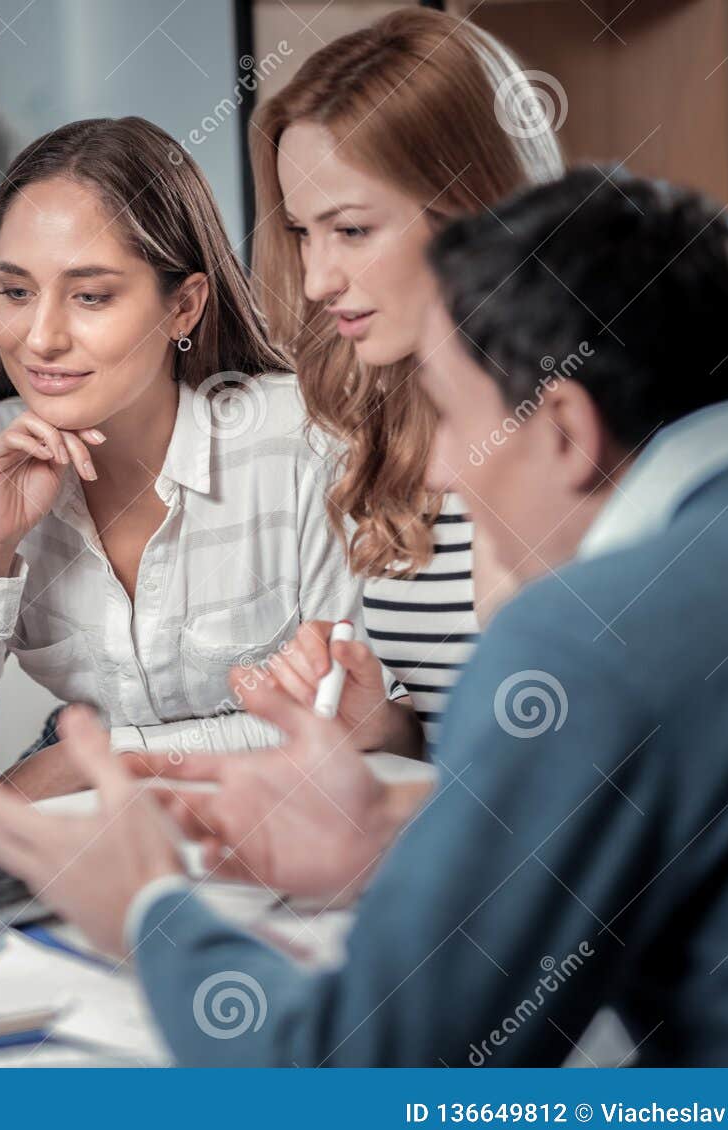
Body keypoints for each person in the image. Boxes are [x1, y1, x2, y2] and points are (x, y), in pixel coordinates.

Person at [0, 167, 728, 1066]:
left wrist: (146, 907)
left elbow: (358, 1078)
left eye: (448, 416)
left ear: (563, 426)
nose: (442, 469)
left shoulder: (592, 635)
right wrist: (405, 839)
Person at [0, 116, 420, 800]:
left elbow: (342, 721)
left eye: (90, 296)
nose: (41, 338)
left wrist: (107, 759)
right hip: (92, 799)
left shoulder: (296, 442)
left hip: (278, 796)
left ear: (185, 307)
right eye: (17, 291)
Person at [249, 8, 563, 741]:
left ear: (475, 214)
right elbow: (460, 756)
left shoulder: (584, 422)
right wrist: (385, 729)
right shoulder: (375, 414)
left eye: (351, 230)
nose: (318, 279)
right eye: (303, 232)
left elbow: (587, 776)